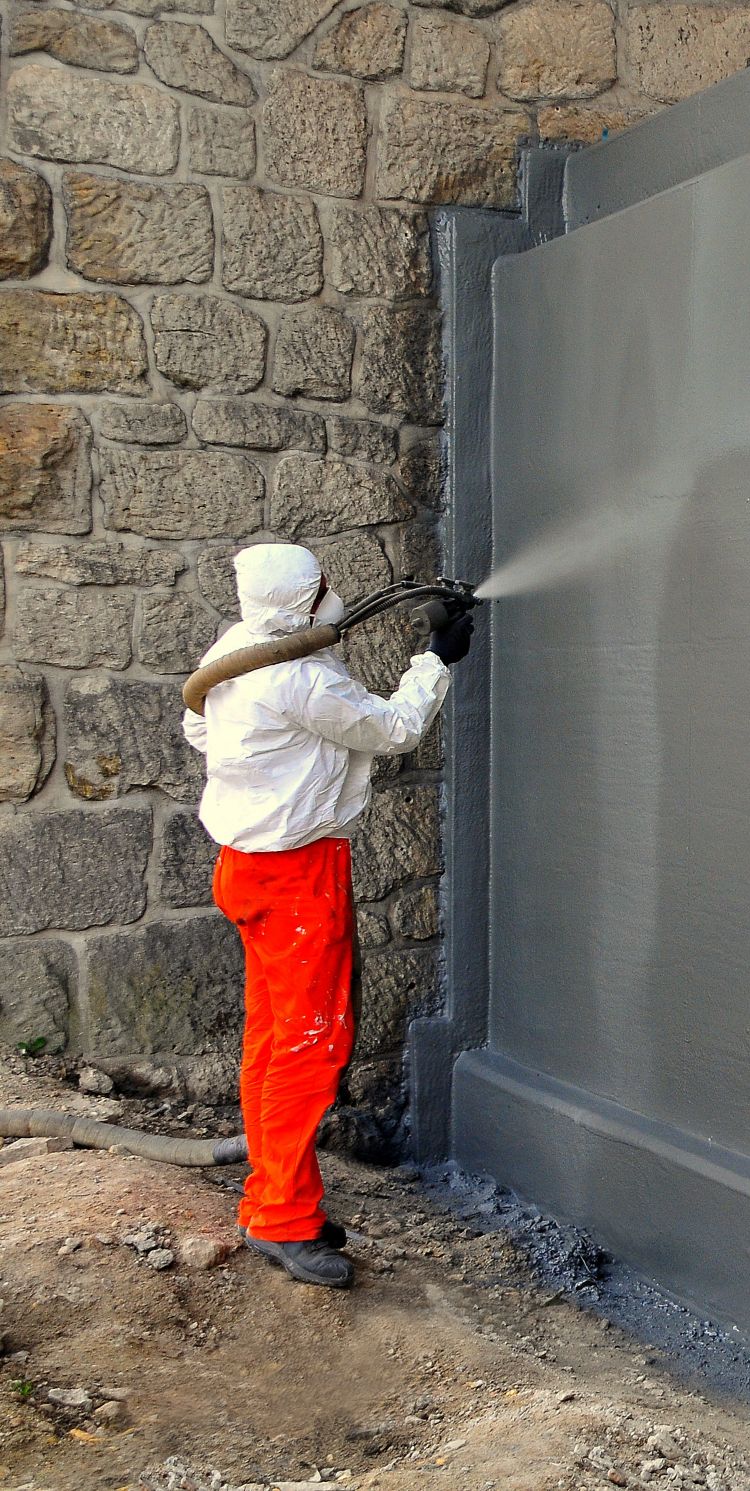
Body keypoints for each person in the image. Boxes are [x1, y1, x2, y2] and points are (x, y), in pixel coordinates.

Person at [182, 543, 474, 1289]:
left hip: (245, 868)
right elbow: (393, 728)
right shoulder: (300, 676)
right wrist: (438, 657)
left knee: (272, 1037)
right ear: (308, 598)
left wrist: (267, 770)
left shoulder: (237, 648)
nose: (333, 592)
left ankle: (278, 1196)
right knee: (310, 1047)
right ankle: (280, 1218)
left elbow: (198, 727)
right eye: (324, 586)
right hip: (298, 878)